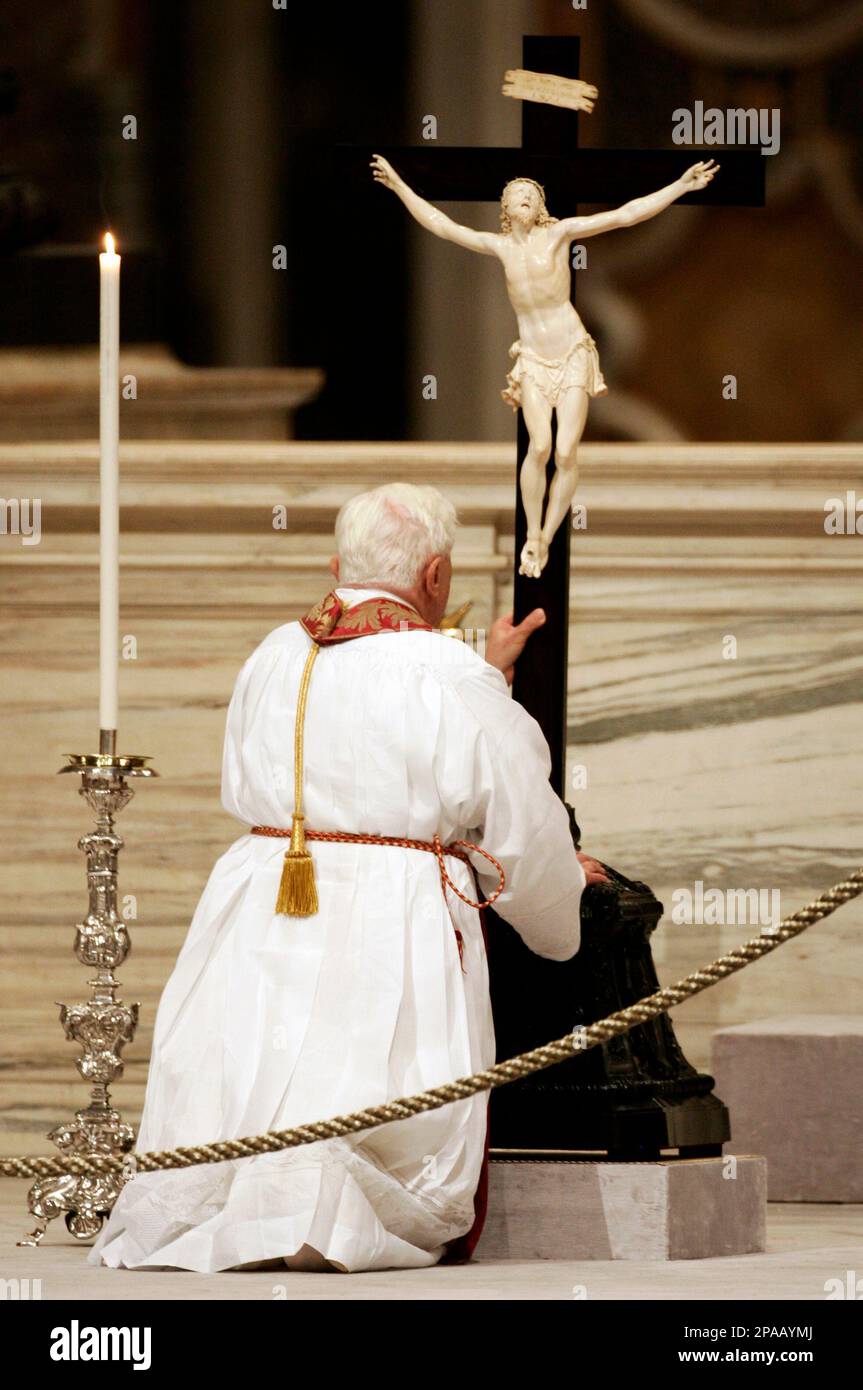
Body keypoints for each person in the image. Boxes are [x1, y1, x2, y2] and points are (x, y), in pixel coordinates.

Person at [87, 482, 607, 1274]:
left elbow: (353, 740)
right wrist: (557, 906)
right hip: (388, 910)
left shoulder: (273, 653)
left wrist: (480, 677)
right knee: (357, 1085)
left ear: (338, 565)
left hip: (263, 894)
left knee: (263, 1068)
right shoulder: (445, 673)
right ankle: (324, 1215)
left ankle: (241, 1210)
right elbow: (521, 826)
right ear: (435, 576)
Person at [371, 155, 719, 577]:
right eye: (517, 196)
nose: (524, 200)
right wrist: (399, 185)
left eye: (531, 196)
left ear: (540, 208)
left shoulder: (559, 235)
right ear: (506, 207)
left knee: (567, 449)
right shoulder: (499, 247)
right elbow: (442, 224)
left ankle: (547, 537)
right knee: (539, 447)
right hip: (533, 357)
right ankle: (531, 533)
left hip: (571, 351)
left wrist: (680, 187)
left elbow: (625, 215)